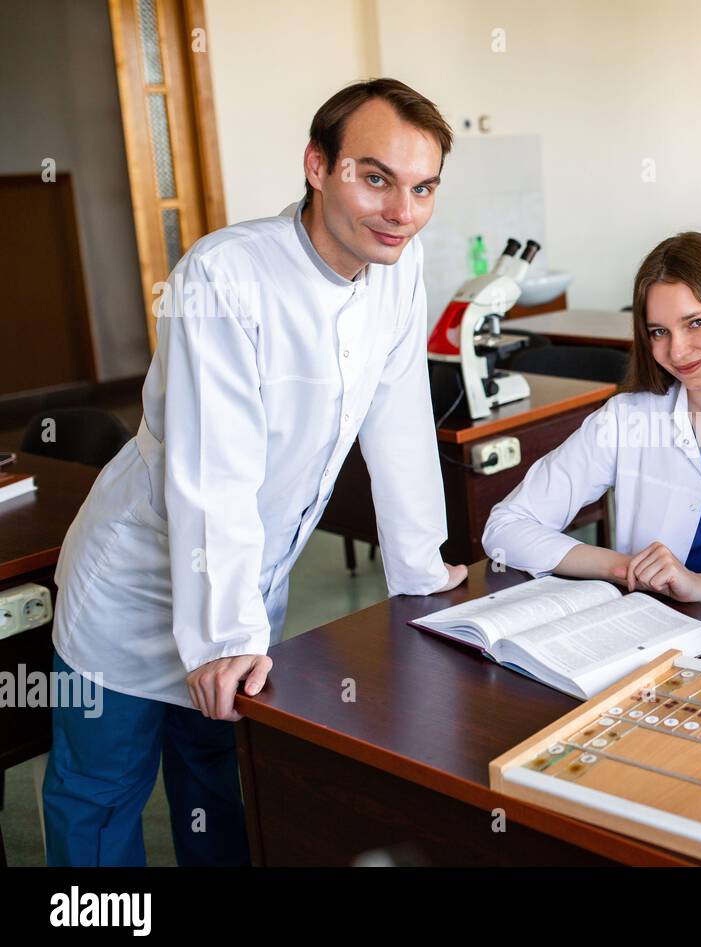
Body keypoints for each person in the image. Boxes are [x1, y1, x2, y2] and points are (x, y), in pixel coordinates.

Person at [43, 78, 467, 866]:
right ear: (317, 166)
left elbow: (401, 423)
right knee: (100, 805)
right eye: (373, 177)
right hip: (136, 592)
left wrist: (418, 570)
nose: (400, 212)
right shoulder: (225, 274)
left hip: (246, 587)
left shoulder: (399, 269)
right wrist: (224, 636)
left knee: (219, 793)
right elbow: (215, 469)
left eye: (421, 188)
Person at [482, 231, 701, 608]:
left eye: (696, 323)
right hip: (652, 629)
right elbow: (506, 527)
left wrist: (698, 585)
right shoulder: (627, 418)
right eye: (659, 332)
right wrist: (625, 567)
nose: (678, 350)